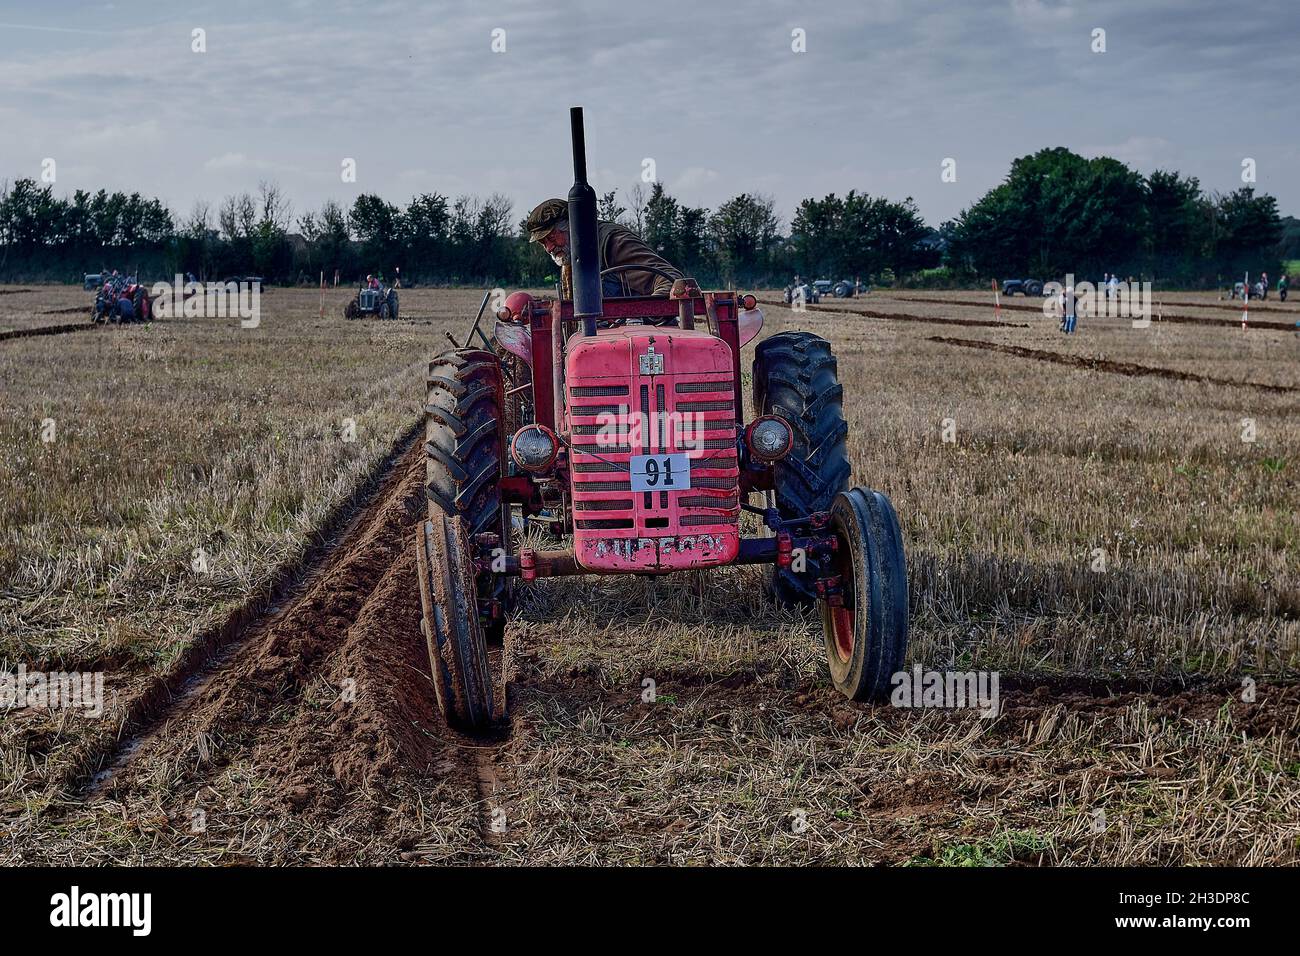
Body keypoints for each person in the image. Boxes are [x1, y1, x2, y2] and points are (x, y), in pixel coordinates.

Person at [526, 198, 682, 298]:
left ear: (572, 227)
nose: (548, 248)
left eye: (551, 238)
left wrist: (640, 315)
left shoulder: (613, 243)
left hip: (640, 339)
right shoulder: (570, 255)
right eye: (543, 242)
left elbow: (671, 280)